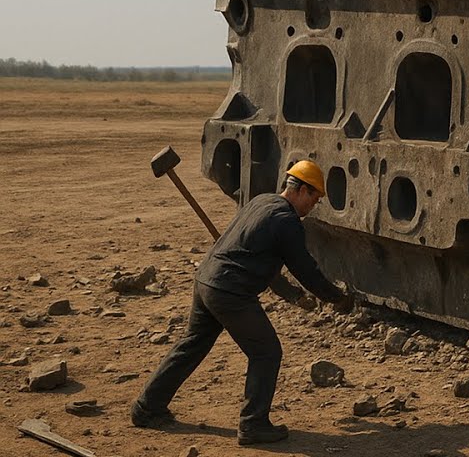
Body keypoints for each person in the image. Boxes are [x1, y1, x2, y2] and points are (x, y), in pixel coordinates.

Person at [131, 160, 353, 446]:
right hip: (229, 291)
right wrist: (337, 298)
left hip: (207, 280)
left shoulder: (261, 202)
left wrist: (293, 296)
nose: (314, 205)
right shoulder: (287, 222)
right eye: (314, 197)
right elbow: (305, 269)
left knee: (191, 345)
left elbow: (266, 261)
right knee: (266, 352)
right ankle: (253, 425)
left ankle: (146, 408)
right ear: (300, 190)